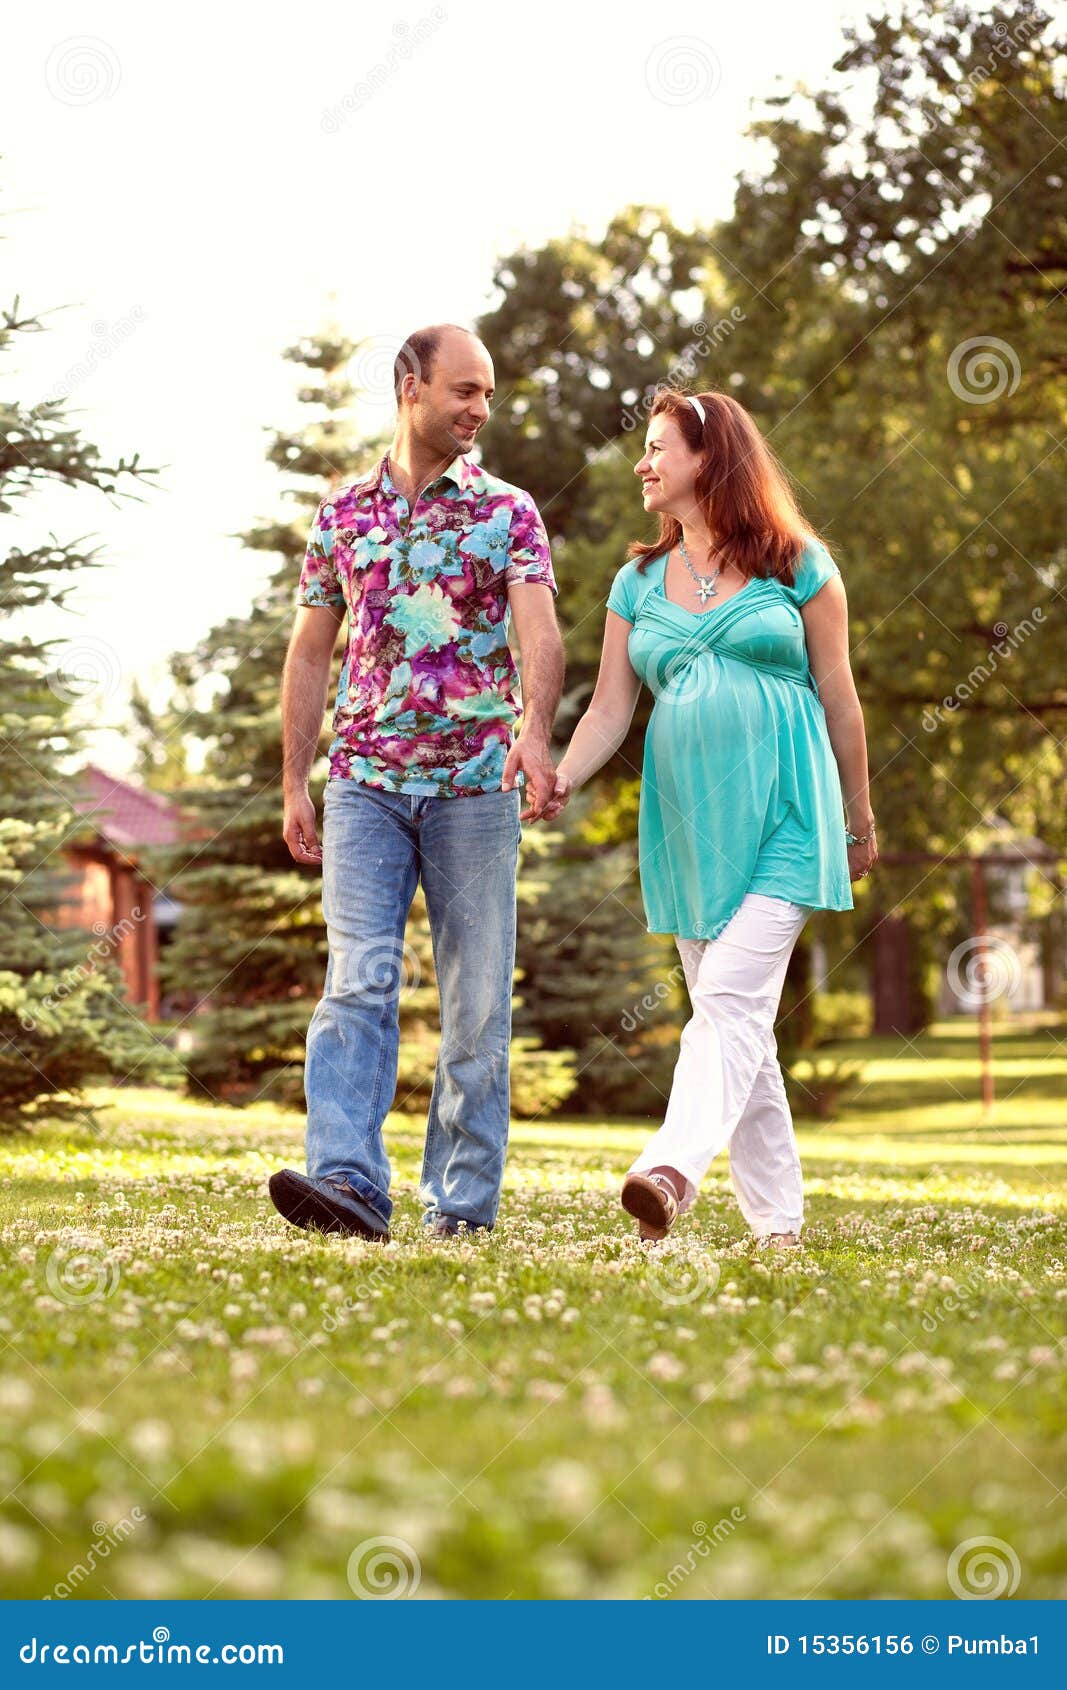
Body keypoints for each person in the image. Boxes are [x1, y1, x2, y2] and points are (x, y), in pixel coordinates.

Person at [544, 387, 877, 1250]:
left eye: (657, 447)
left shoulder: (798, 563)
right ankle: (778, 1229)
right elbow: (610, 711)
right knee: (741, 1030)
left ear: (709, 457)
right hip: (687, 829)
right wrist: (559, 778)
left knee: (727, 1000)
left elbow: (840, 699)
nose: (641, 463)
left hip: (790, 816)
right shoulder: (635, 581)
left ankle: (669, 1171)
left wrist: (859, 814)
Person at [270, 324, 564, 1244]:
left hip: (475, 786)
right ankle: (349, 1184)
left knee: (475, 1002)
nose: (479, 410)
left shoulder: (507, 510)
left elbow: (541, 637)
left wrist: (536, 736)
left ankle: (462, 1207)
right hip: (362, 783)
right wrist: (294, 781)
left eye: (487, 395)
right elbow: (310, 652)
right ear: (410, 387)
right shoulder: (342, 514)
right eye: (463, 392)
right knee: (355, 983)